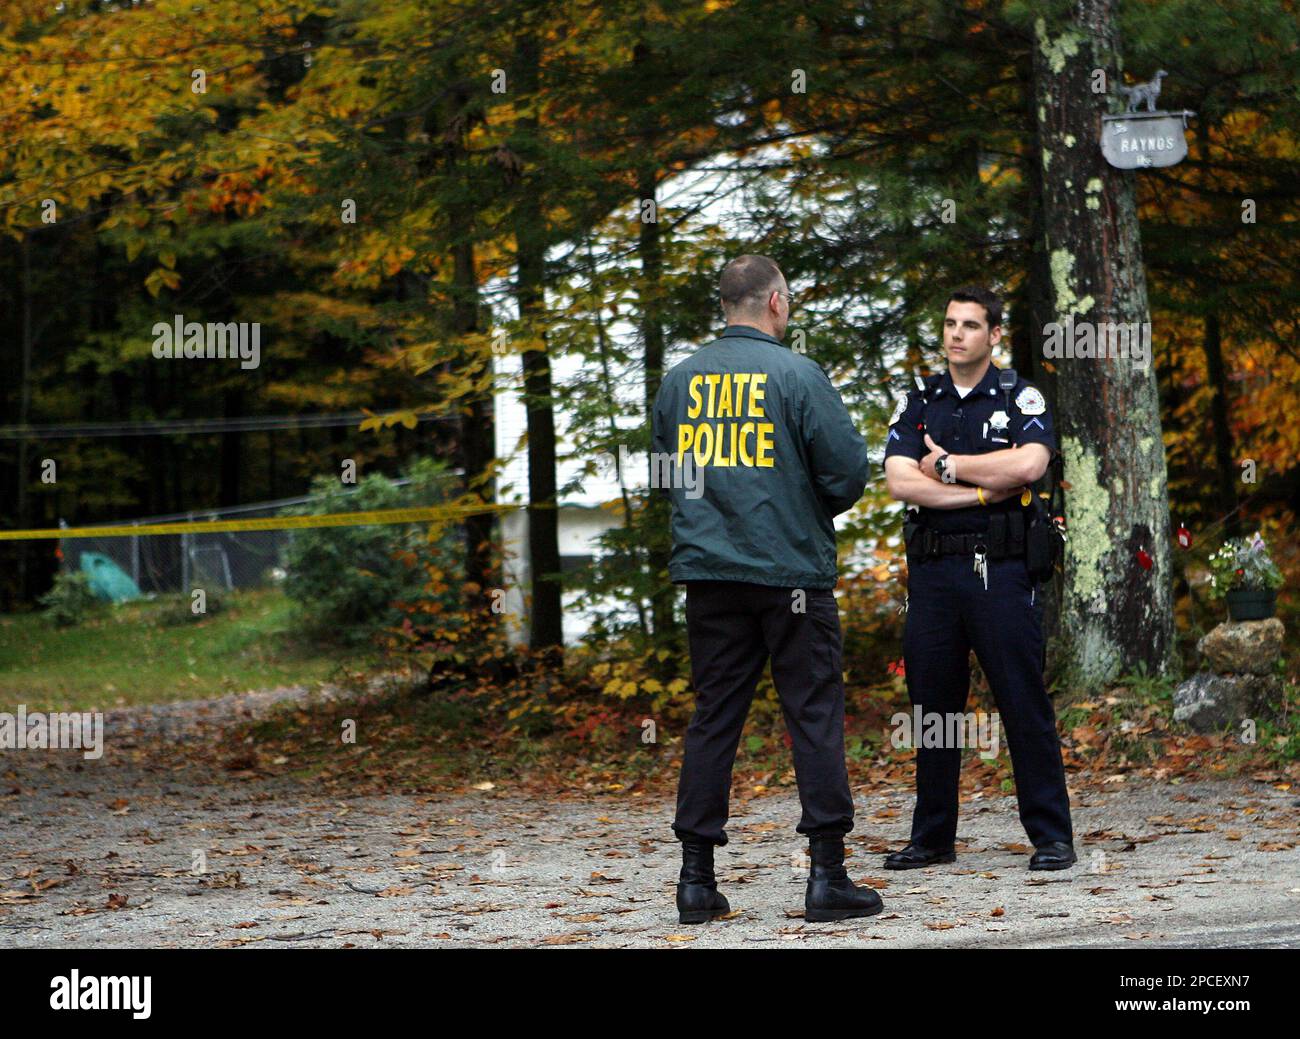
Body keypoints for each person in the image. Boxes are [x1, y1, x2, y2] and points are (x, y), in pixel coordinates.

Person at [651, 254, 882, 923]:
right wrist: (799, 507)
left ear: (726, 304)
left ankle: (696, 879)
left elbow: (671, 476)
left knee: (713, 713)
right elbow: (845, 470)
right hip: (791, 575)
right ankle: (827, 875)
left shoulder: (680, 381)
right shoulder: (798, 374)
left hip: (709, 574)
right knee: (811, 709)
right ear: (776, 302)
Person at [882, 286, 1075, 871]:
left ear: (994, 335)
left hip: (1003, 569)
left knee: (1021, 700)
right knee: (934, 708)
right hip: (935, 572)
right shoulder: (920, 400)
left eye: (970, 325)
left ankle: (1051, 836)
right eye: (949, 323)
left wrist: (947, 465)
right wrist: (979, 490)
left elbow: (1029, 465)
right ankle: (933, 838)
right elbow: (898, 480)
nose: (956, 334)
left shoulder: (1019, 396)